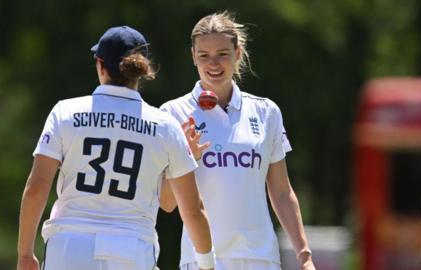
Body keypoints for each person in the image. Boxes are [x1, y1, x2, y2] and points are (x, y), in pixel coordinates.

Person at [17, 26, 215, 270]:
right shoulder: (166, 126)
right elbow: (192, 210)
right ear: (141, 70)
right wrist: (207, 264)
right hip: (133, 250)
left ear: (100, 65)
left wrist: (25, 254)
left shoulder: (65, 112)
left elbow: (37, 187)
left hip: (69, 248)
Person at [160, 12, 316, 270]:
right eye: (204, 56)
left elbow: (281, 191)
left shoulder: (266, 112)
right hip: (201, 261)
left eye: (222, 53)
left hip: (261, 259)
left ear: (238, 53)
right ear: (193, 57)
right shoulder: (172, 114)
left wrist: (305, 256)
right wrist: (186, 158)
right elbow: (166, 203)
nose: (214, 63)